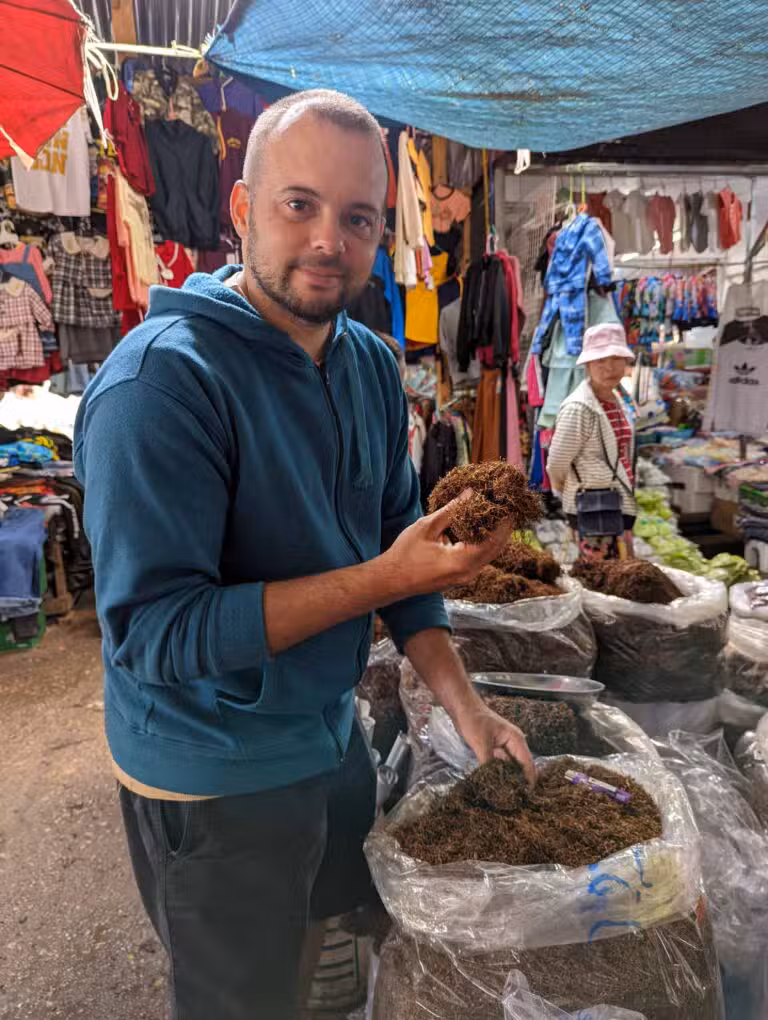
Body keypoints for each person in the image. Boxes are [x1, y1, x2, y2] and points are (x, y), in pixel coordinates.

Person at [74, 89, 533, 1020]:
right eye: (299, 205)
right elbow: (157, 634)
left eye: (358, 217)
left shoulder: (367, 363)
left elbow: (402, 546)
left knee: (333, 965)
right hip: (209, 771)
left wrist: (467, 711)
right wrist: (384, 577)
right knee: (240, 998)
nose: (329, 239)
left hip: (329, 742)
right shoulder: (159, 385)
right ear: (242, 211)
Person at [547, 323, 637, 559]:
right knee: (601, 577)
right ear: (587, 365)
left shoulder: (617, 398)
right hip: (594, 506)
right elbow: (556, 463)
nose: (610, 367)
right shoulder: (579, 408)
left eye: (617, 358)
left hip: (617, 500)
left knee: (622, 572)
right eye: (600, 360)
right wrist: (569, 487)